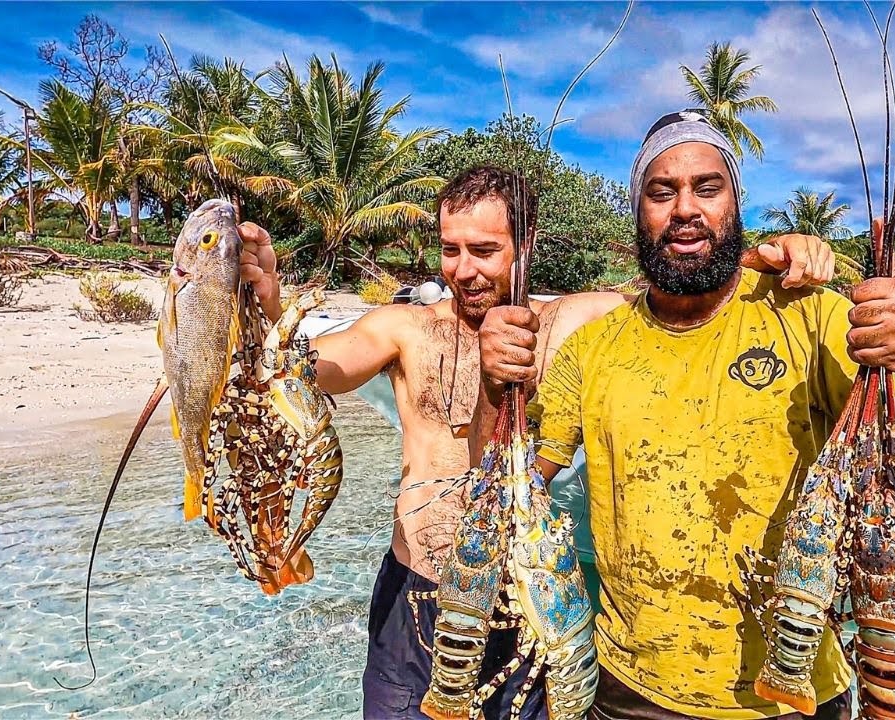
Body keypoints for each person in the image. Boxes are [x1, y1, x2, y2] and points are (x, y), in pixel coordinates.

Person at [237, 164, 839, 719]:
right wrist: (260, 303)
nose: (464, 269)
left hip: (527, 606)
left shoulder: (572, 321)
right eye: (451, 250)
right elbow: (300, 370)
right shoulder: (402, 328)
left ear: (524, 248)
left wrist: (776, 254)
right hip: (415, 593)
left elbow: (686, 278)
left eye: (485, 250)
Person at [472, 111, 895, 720]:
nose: (684, 208)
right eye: (661, 192)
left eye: (706, 188)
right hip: (625, 691)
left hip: (794, 696)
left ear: (736, 205)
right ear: (637, 211)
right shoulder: (592, 350)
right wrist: (492, 385)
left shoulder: (813, 317)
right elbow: (502, 492)